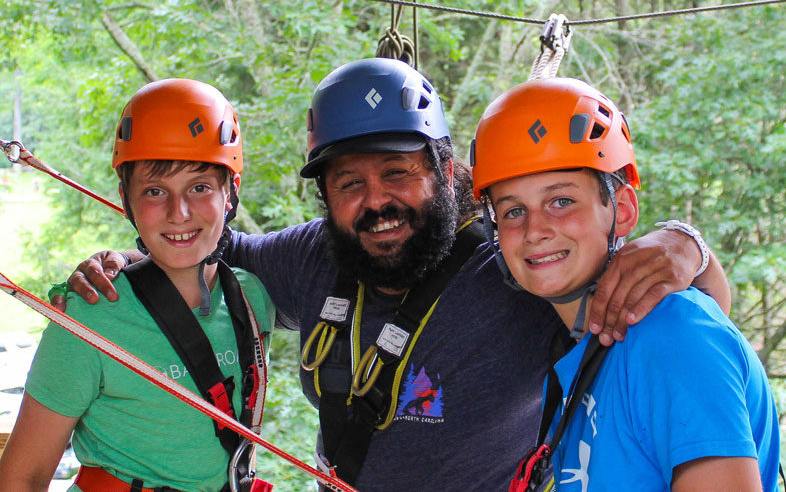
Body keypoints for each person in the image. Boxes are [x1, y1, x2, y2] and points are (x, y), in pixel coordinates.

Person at [59, 59, 731, 491]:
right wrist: (119, 261)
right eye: (350, 182)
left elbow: (684, 322)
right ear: (327, 199)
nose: (375, 200)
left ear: (445, 174)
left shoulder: (518, 269)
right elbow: (201, 243)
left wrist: (686, 245)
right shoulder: (313, 256)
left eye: (398, 172)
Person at [471, 77, 780, 491]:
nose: (535, 230)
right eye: (512, 211)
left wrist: (691, 245)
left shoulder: (673, 335)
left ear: (622, 210)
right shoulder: (580, 356)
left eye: (561, 201)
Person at [0, 79, 275, 492]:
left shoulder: (252, 299)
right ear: (125, 199)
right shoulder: (90, 314)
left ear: (230, 193)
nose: (178, 213)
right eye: (154, 191)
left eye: (199, 187)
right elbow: (22, 478)